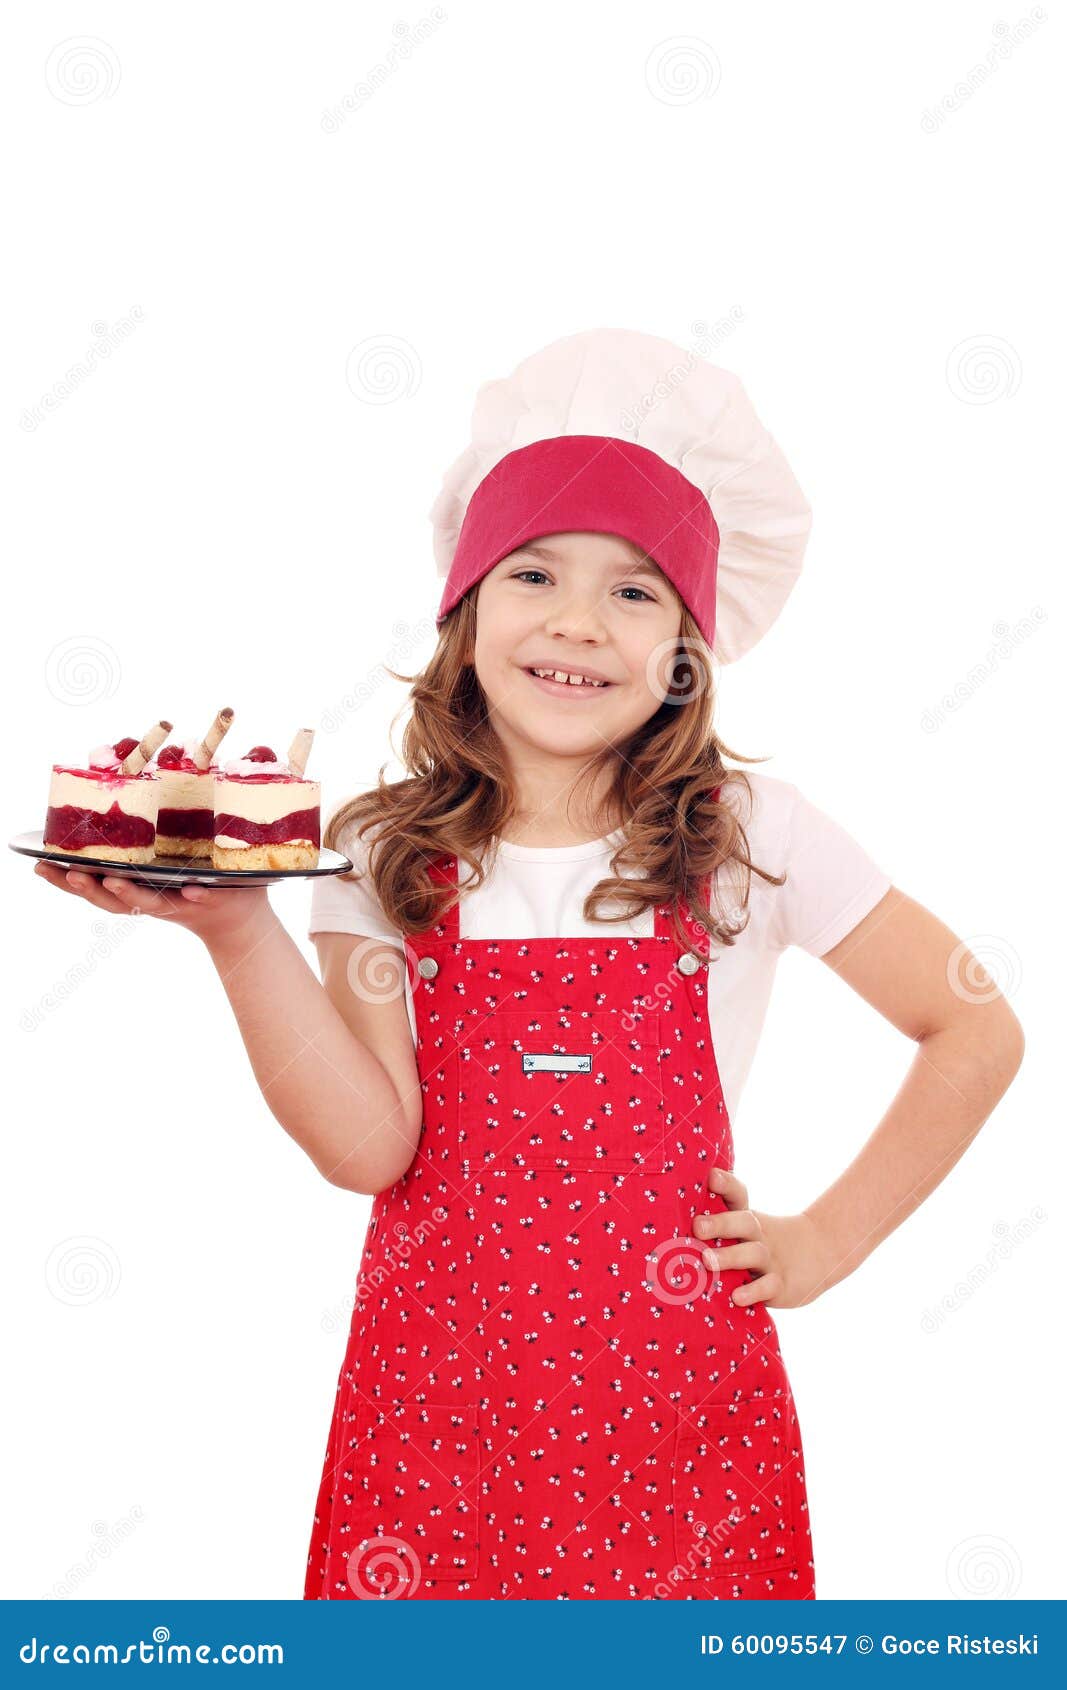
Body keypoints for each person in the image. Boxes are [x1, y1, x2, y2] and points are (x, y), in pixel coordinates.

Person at [34, 329, 1024, 1601]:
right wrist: (239, 934)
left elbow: (972, 1027)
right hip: (433, 1424)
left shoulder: (750, 839)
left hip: (681, 1432)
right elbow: (368, 1149)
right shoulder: (377, 850)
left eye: (632, 589)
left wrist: (826, 1239)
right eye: (533, 573)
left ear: (686, 648)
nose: (574, 621)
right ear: (462, 611)